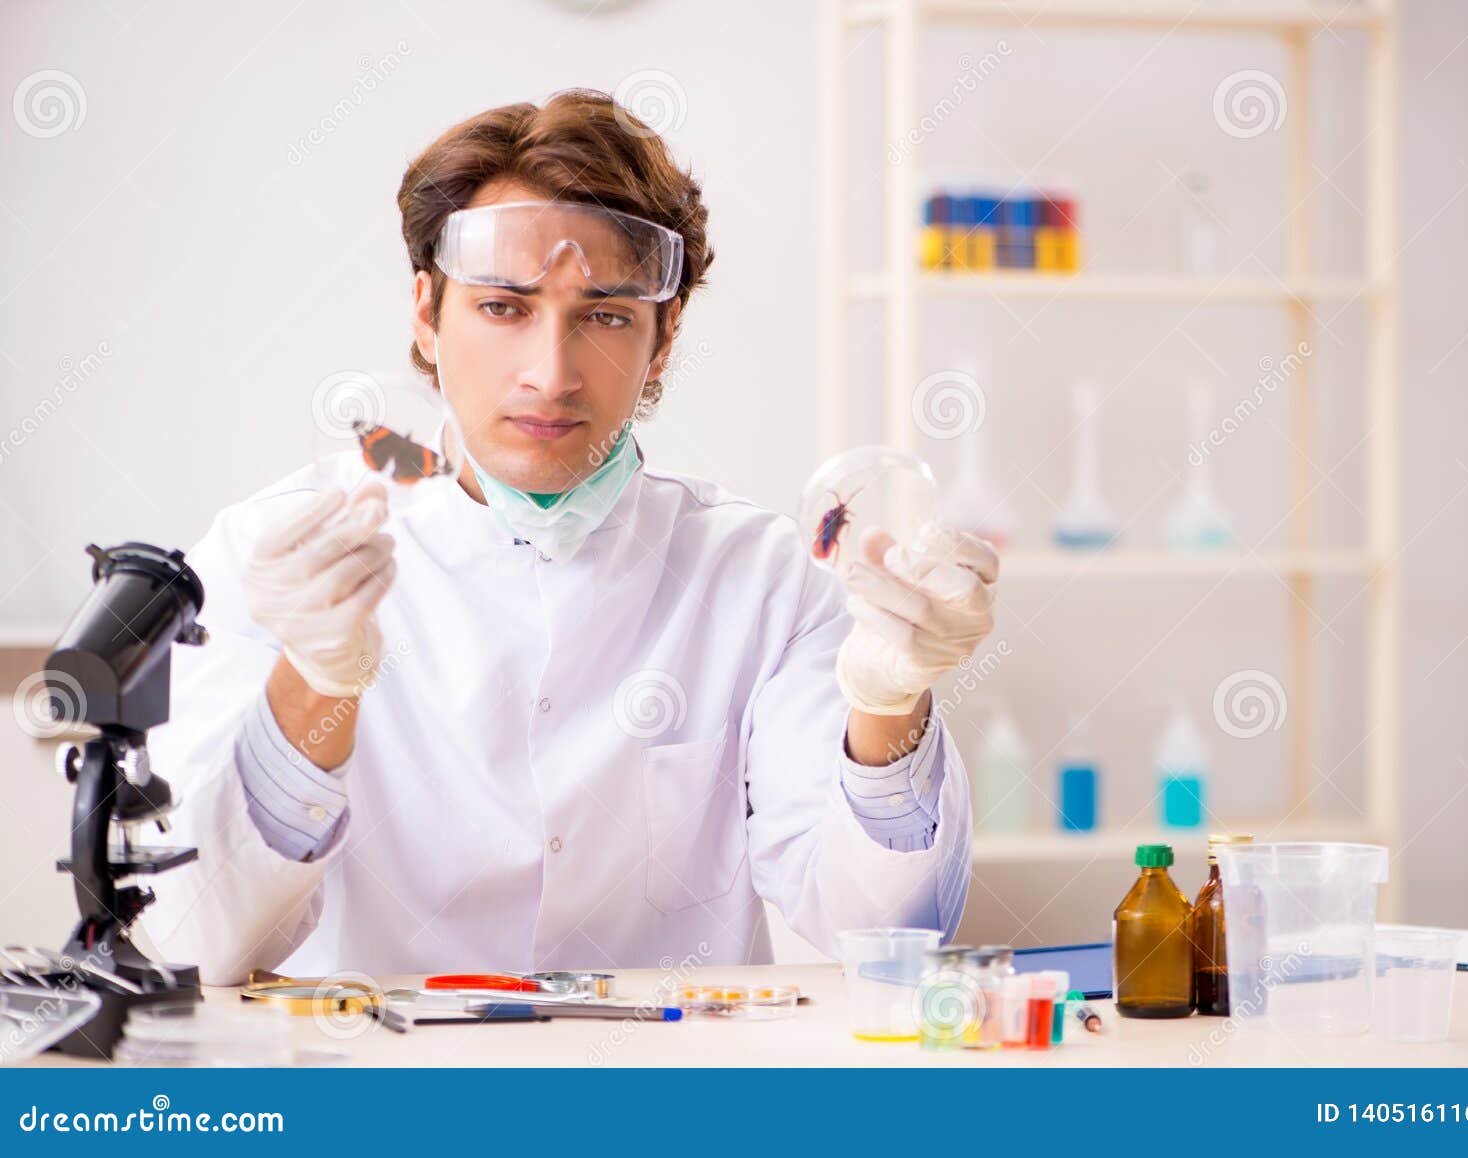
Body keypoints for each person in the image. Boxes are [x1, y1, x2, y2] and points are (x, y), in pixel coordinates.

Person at [144, 91, 999, 984]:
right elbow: (200, 945)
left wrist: (888, 711)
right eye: (505, 308)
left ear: (662, 342)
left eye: (604, 315)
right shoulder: (277, 555)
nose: (549, 375)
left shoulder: (763, 577)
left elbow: (886, 933)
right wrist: (314, 684)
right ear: (426, 315)